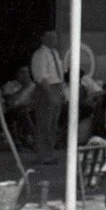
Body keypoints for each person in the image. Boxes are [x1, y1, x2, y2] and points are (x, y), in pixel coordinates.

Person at [28, 30, 68, 163]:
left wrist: (61, 93)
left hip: (56, 87)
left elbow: (60, 75)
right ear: (43, 38)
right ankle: (42, 155)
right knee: (44, 123)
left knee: (53, 124)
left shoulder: (55, 54)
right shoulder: (40, 55)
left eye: (55, 38)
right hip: (46, 90)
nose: (53, 40)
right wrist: (51, 94)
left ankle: (50, 153)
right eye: (50, 37)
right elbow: (41, 76)